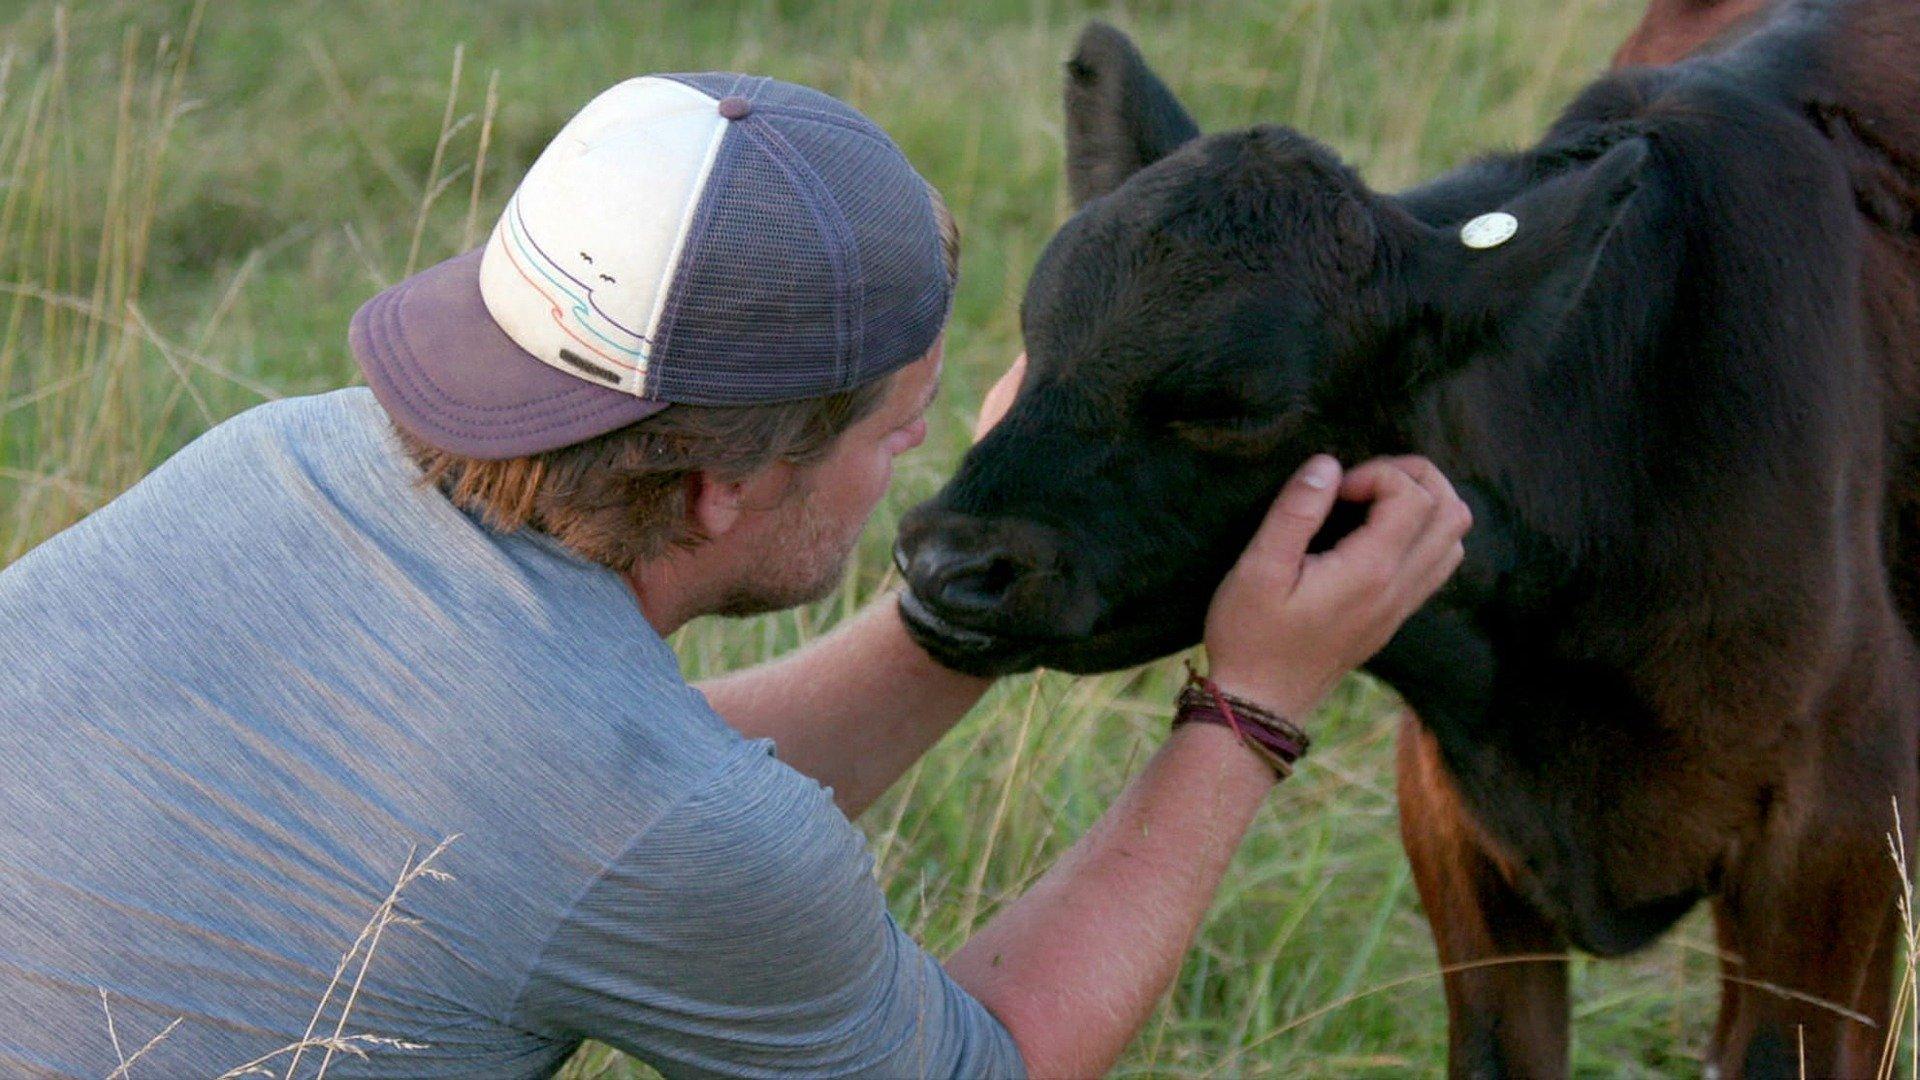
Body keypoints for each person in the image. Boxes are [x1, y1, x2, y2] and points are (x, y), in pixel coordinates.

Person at [0, 73, 1470, 1079]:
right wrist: (1253, 707)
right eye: (902, 432)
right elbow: (997, 1056)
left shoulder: (283, 456)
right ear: (720, 487)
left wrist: (970, 606)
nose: (923, 460)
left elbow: (590, 798)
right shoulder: (660, 828)